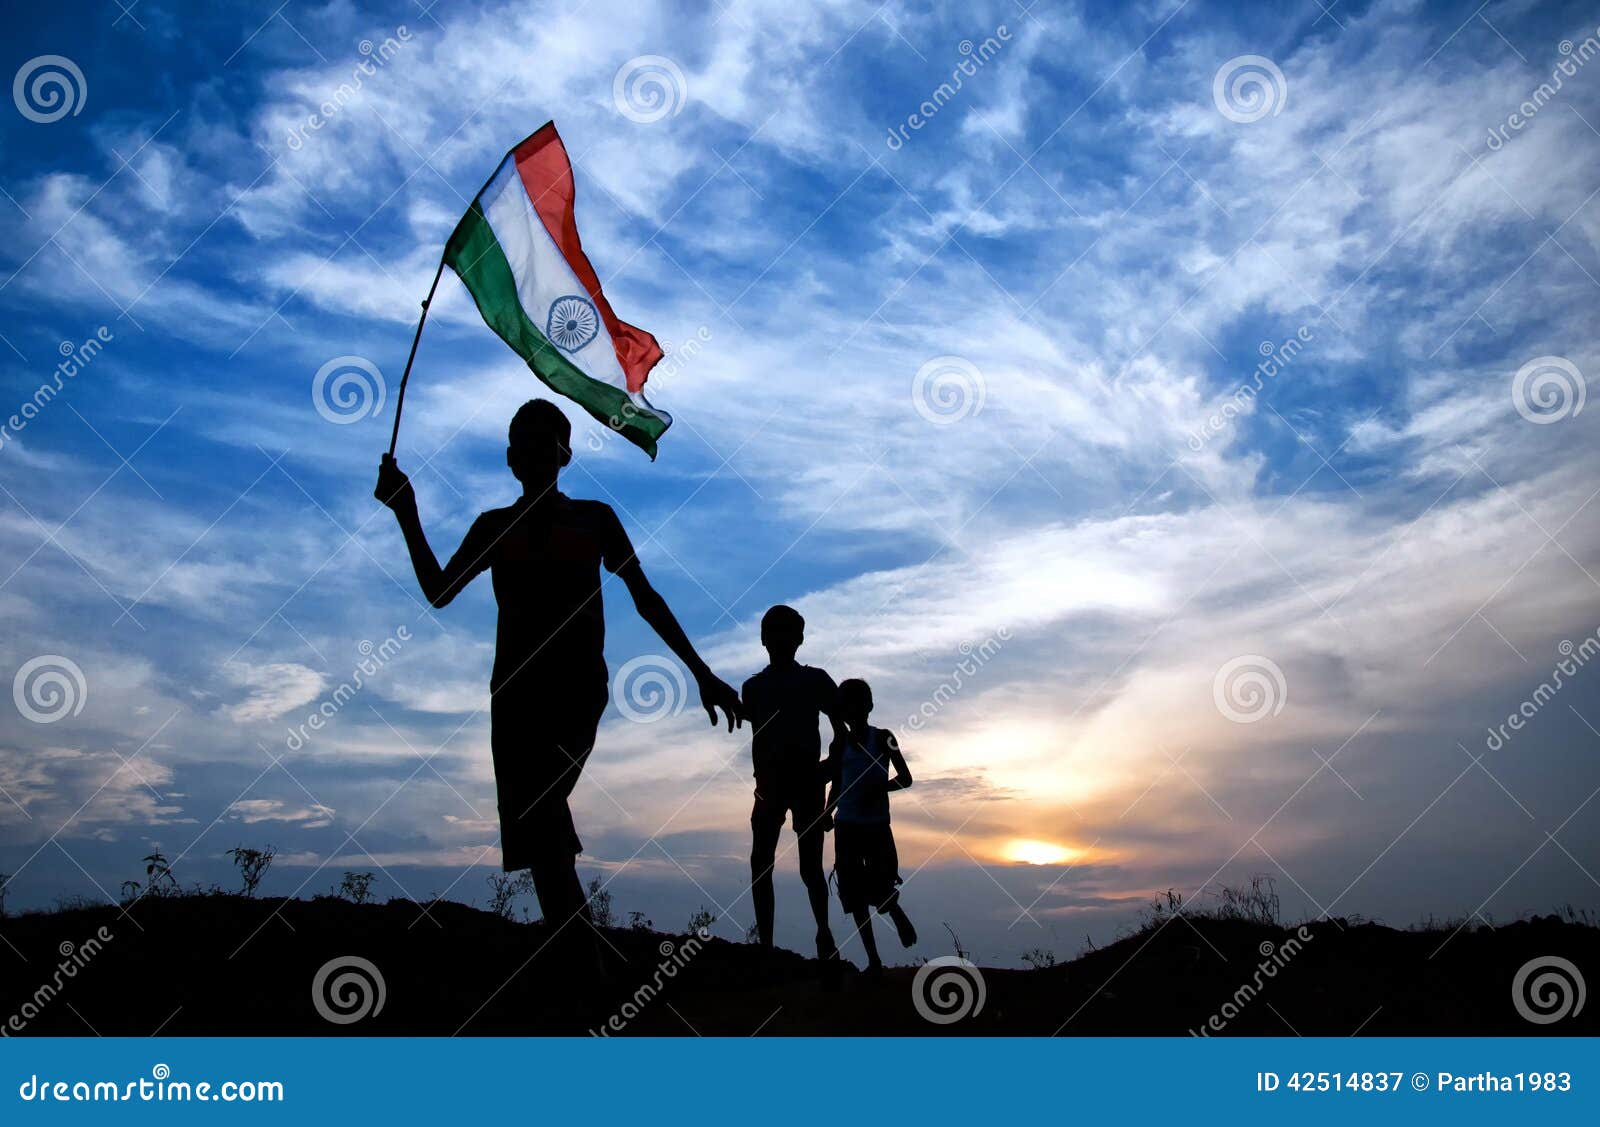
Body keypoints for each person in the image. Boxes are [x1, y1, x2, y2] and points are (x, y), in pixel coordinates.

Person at [374, 398, 742, 970]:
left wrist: (702, 672)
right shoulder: (495, 527)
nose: (537, 451)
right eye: (526, 442)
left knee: (544, 819)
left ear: (565, 454)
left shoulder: (594, 519)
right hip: (515, 700)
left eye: (548, 441)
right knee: (542, 845)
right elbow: (440, 590)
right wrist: (406, 512)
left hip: (574, 692)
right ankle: (586, 974)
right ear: (510, 458)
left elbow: (645, 598)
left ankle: (590, 976)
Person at [741, 604, 845, 962]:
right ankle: (767, 945)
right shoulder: (753, 688)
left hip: (805, 782)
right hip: (770, 785)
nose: (782, 639)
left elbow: (841, 728)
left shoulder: (815, 680)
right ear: (764, 639)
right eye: (775, 632)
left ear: (799, 638)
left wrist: (832, 765)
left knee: (810, 868)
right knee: (761, 863)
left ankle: (823, 934)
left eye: (788, 632)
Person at [829, 678, 916, 974]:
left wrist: (880, 789)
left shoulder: (884, 737)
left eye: (856, 703)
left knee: (881, 885)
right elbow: (836, 783)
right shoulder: (840, 744)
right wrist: (827, 813)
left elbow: (906, 777)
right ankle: (874, 961)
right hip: (846, 826)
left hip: (877, 825)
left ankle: (892, 908)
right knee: (853, 895)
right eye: (846, 705)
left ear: (868, 706)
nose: (851, 709)